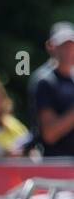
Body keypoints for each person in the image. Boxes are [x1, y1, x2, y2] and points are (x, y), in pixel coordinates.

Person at [33, 22, 74, 158]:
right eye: (63, 46)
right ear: (51, 47)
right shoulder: (44, 81)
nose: (69, 51)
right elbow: (49, 134)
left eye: (71, 46)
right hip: (54, 165)